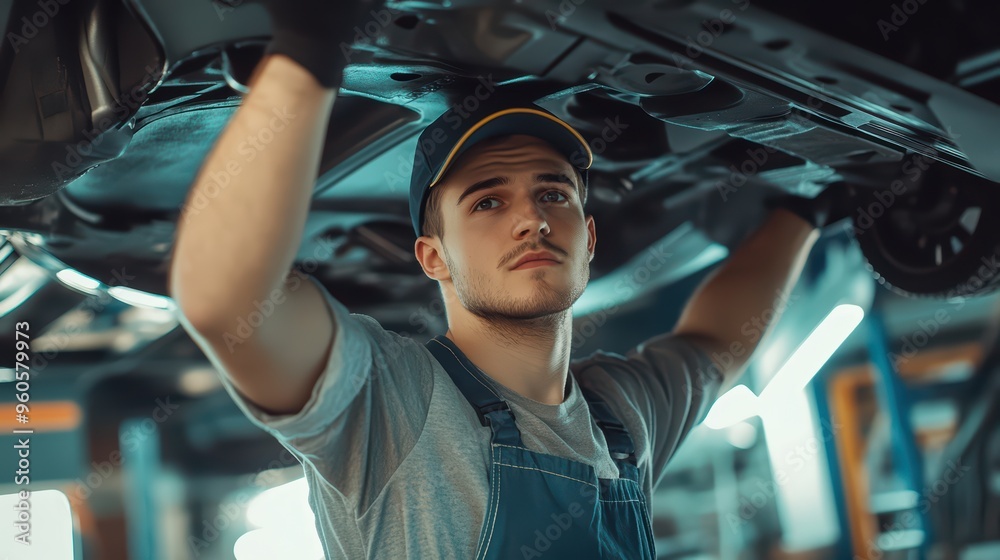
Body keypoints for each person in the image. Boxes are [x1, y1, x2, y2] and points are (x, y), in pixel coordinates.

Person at [170, 1, 843, 558]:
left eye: (553, 194)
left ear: (590, 238)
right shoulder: (391, 405)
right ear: (433, 258)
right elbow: (226, 299)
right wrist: (312, 43)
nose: (530, 219)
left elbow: (717, 344)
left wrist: (809, 208)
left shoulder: (622, 418)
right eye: (488, 202)